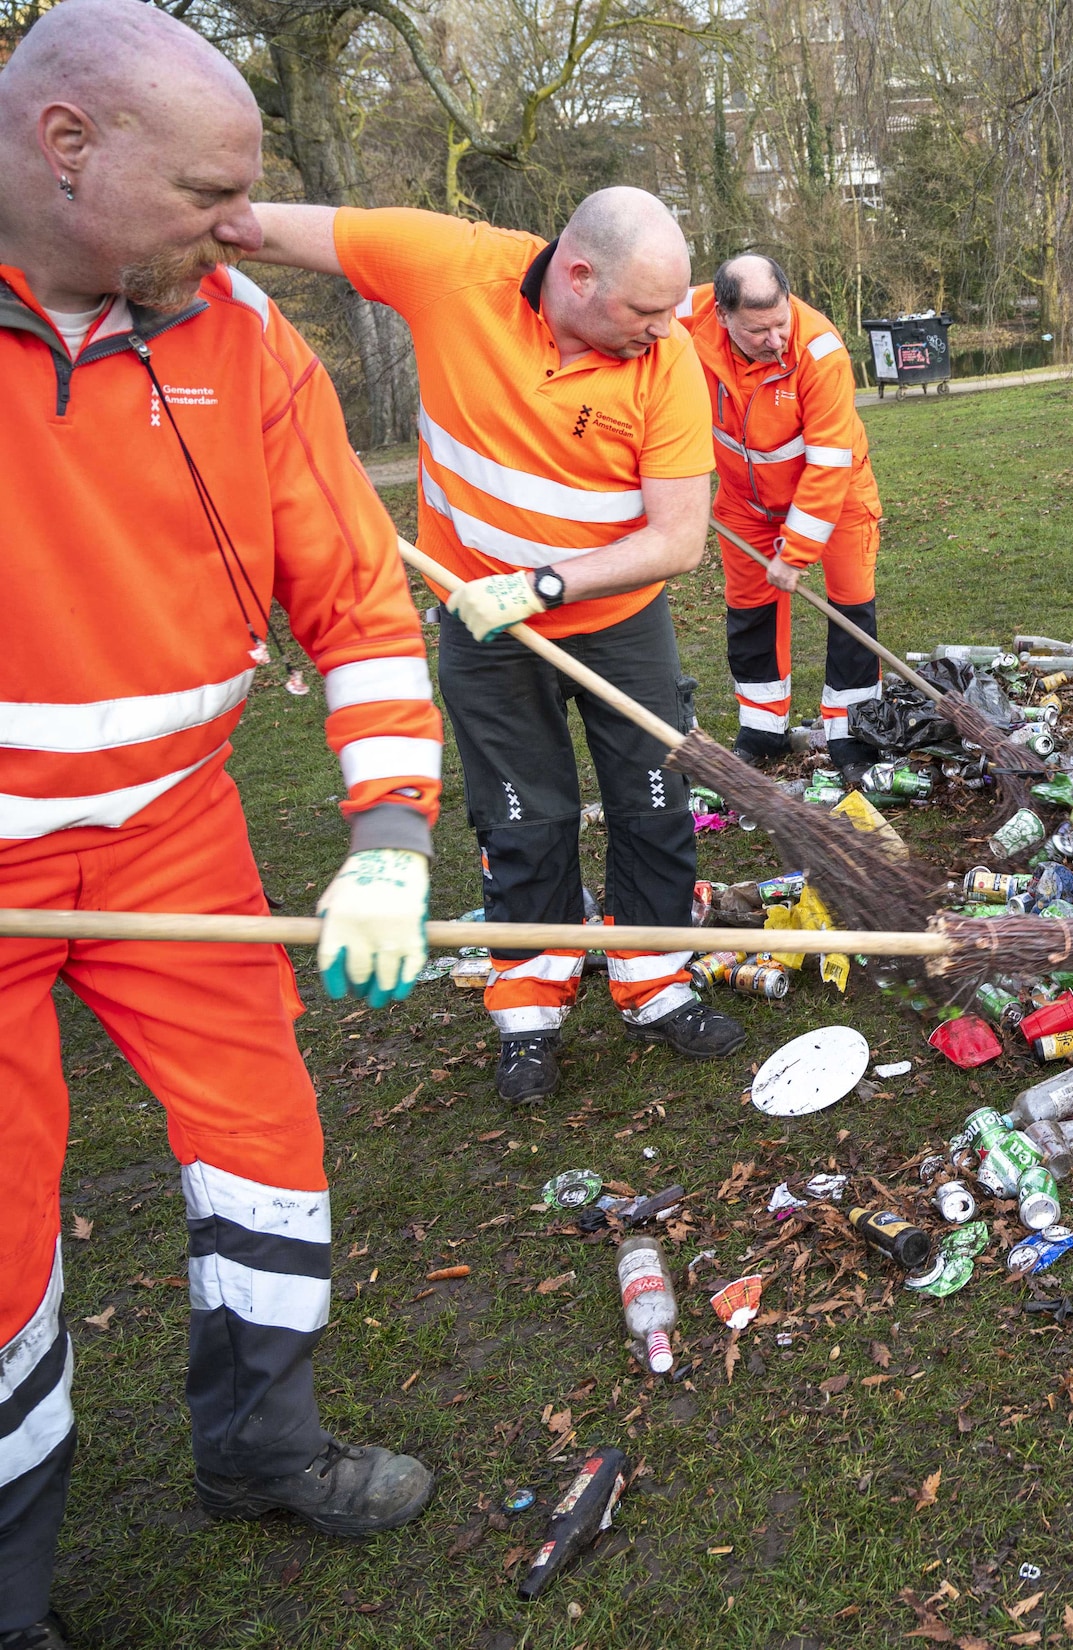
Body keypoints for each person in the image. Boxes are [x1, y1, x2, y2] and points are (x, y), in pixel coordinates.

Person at [0, 3, 445, 1639]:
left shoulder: (245, 336)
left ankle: (261, 1449)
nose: (239, 226)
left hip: (174, 833)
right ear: (67, 149)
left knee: (266, 1149)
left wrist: (393, 836)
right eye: (206, 191)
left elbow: (361, 603)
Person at [247, 189, 747, 1105]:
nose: (668, 327)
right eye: (646, 309)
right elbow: (257, 226)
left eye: (675, 306)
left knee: (653, 803)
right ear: (577, 274)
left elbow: (678, 541)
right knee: (523, 817)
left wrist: (540, 584)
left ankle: (653, 980)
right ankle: (529, 1005)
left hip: (617, 623)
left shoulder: (667, 360)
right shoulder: (451, 269)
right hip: (480, 634)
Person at [680, 254, 885, 773]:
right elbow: (628, 313)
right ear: (723, 315)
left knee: (849, 606)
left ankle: (852, 731)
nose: (774, 340)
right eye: (757, 330)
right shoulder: (687, 312)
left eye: (780, 323)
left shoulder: (821, 352)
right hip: (746, 504)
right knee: (750, 612)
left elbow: (830, 464)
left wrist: (794, 553)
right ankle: (763, 729)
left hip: (835, 497)